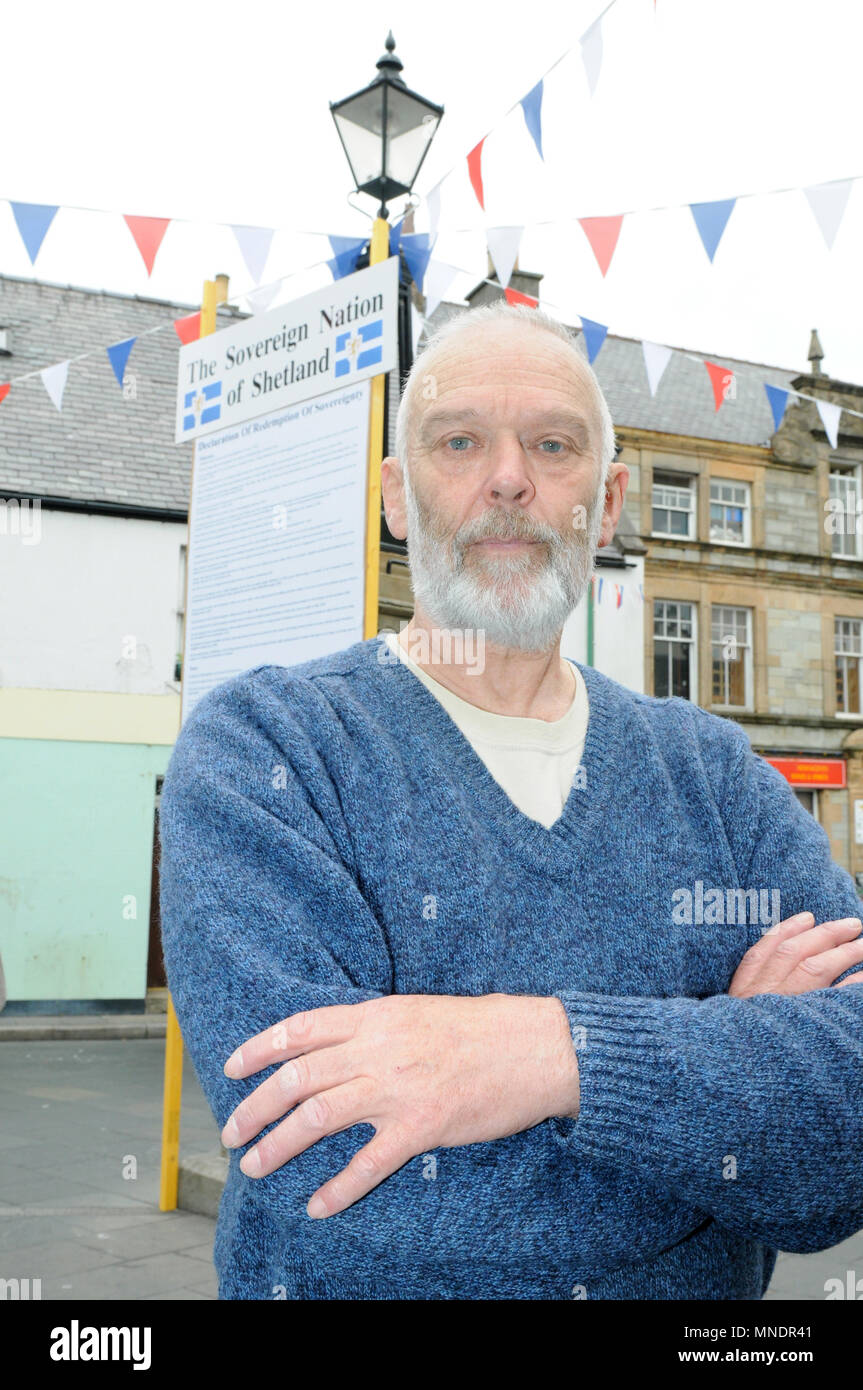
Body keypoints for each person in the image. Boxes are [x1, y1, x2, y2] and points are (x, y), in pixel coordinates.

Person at [159, 302, 863, 1301]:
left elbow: (846, 1140)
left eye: (551, 443)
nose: (507, 478)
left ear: (607, 500)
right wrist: (727, 1083)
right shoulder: (268, 748)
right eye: (459, 441)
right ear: (396, 498)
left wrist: (545, 1055)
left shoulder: (714, 774)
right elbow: (334, 1168)